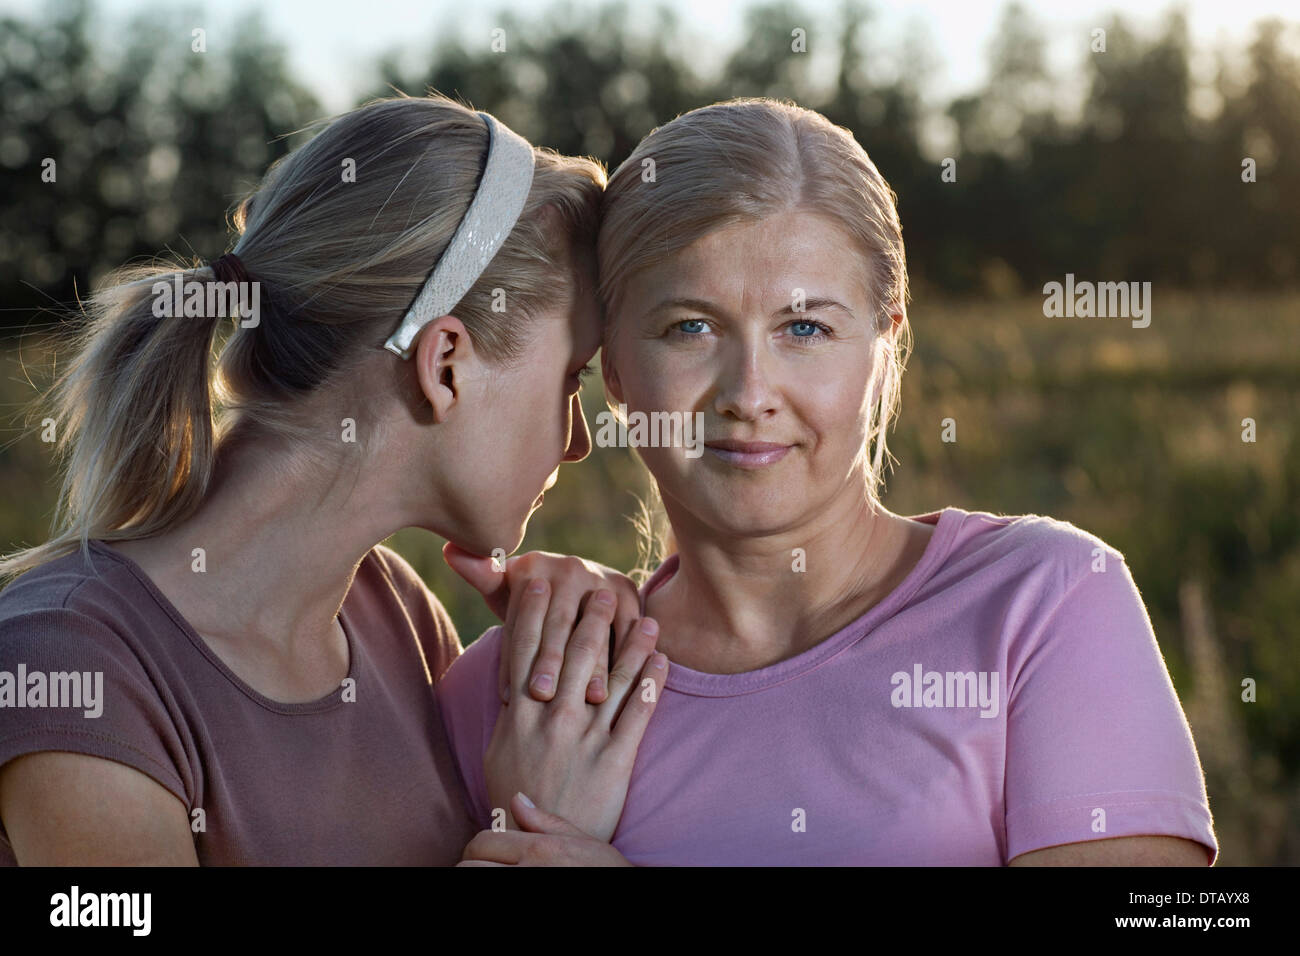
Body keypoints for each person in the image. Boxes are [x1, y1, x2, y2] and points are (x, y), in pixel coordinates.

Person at [440, 97, 1219, 866]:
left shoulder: (1041, 601)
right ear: (614, 367)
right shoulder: (526, 686)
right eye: (691, 327)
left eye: (804, 328)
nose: (748, 394)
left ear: (885, 343)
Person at [0, 93, 666, 865]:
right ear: (445, 364)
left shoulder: (397, 617)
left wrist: (563, 662)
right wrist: (536, 834)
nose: (579, 441)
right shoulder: (70, 665)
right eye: (571, 379)